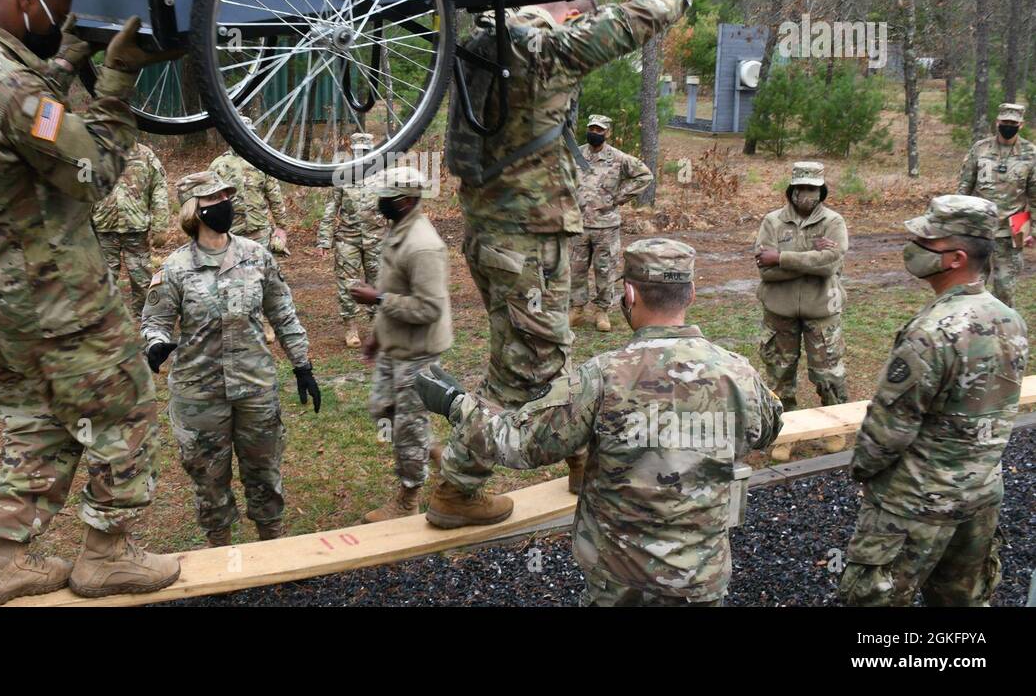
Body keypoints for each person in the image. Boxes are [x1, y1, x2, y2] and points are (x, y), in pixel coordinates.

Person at [0, 0, 179, 604]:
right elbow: (95, 169)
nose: (58, 26)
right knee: (126, 406)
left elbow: (13, 123)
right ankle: (109, 553)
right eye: (55, 15)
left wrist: (60, 65)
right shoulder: (9, 87)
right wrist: (116, 79)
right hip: (53, 291)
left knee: (41, 418)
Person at [430, 0, 703, 527]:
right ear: (573, 15)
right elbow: (635, 21)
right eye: (579, 15)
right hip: (528, 243)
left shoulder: (488, 37)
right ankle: (458, 485)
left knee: (543, 353)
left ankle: (580, 461)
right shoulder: (542, 49)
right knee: (524, 370)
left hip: (492, 237)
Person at [414, 239, 783, 604]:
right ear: (691, 295)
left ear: (629, 295)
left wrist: (455, 404)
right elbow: (768, 428)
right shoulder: (739, 375)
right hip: (699, 580)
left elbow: (521, 445)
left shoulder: (602, 378)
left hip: (619, 580)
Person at [839, 195, 1027, 607]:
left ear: (956, 258)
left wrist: (863, 471)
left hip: (914, 505)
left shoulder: (931, 333)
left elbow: (889, 430)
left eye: (926, 241)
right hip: (980, 493)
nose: (913, 247)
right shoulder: (1008, 318)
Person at [142, 170, 320, 546]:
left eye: (227, 197)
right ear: (194, 210)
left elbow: (282, 312)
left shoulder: (256, 256)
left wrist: (302, 364)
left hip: (255, 387)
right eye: (214, 200)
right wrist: (156, 344)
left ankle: (271, 542)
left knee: (264, 470)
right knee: (208, 476)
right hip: (199, 394)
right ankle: (219, 551)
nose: (225, 205)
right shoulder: (175, 268)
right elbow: (155, 320)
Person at [348, 166, 452, 522]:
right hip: (396, 343)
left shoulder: (423, 246)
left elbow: (429, 308)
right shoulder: (398, 232)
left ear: (406, 201)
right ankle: (437, 453)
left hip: (418, 351)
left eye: (385, 198)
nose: (379, 204)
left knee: (407, 426)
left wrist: (377, 299)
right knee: (382, 408)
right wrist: (378, 335)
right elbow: (396, 287)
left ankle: (407, 500)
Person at [753, 161, 849, 460]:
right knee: (780, 375)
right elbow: (765, 272)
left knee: (827, 375)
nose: (805, 194)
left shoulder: (834, 222)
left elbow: (831, 265)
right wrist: (813, 258)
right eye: (800, 189)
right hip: (779, 311)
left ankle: (835, 425)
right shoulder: (773, 222)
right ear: (791, 191)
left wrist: (780, 257)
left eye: (812, 189)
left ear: (821, 191)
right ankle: (785, 430)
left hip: (822, 310)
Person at [570, 113, 653, 332]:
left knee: (604, 271)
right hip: (578, 225)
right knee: (575, 269)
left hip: (605, 226)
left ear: (608, 133)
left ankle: (602, 312)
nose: (594, 133)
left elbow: (644, 176)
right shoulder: (576, 155)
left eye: (599, 130)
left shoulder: (618, 158)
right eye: (591, 129)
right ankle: (577, 309)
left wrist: (619, 196)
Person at [211, 116, 291, 342]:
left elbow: (274, 195)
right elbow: (210, 198)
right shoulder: (219, 165)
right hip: (230, 232)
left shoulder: (260, 160)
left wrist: (281, 227)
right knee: (231, 278)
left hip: (259, 231)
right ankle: (238, 323)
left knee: (262, 276)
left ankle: (265, 323)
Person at [957, 103, 1036, 308]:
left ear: (1021, 124)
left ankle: (1003, 332)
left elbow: (1035, 195)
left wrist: (1033, 230)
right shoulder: (980, 148)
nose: (1008, 126)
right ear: (997, 122)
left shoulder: (1031, 153)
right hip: (979, 228)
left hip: (1013, 231)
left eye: (1013, 123)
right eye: (1005, 122)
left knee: (1005, 288)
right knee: (972, 285)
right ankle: (974, 331)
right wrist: (957, 222)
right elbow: (965, 186)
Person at [318, 132, 388, 348]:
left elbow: (392, 206)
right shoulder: (344, 174)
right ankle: (351, 327)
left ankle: (378, 326)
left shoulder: (382, 174)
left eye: (366, 151)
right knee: (348, 284)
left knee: (378, 282)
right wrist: (324, 239)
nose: (362, 155)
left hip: (377, 238)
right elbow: (331, 208)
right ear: (352, 152)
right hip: (348, 238)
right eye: (358, 152)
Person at [92, 141, 171, 313]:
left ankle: (145, 318)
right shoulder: (94, 151)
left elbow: (159, 189)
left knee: (141, 278)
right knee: (103, 278)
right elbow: (82, 188)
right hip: (104, 226)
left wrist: (160, 225)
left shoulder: (146, 154)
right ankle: (106, 319)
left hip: (136, 228)